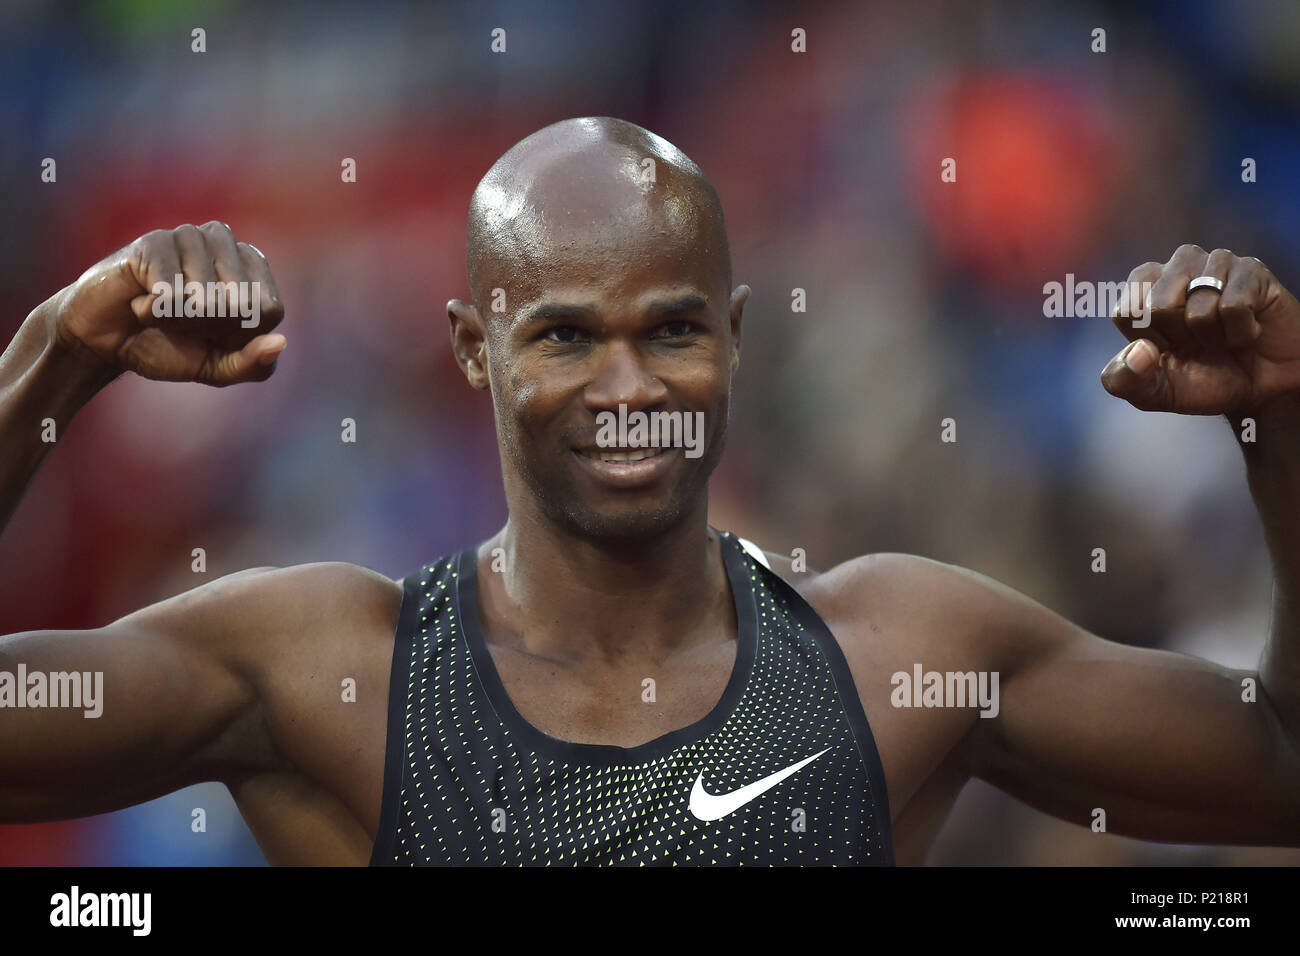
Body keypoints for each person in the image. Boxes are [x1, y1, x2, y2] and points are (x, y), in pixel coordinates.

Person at [2, 116, 1299, 866]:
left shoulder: (902, 662)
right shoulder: (322, 672)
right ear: (474, 347)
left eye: (671, 330)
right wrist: (59, 353)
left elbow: (1279, 764)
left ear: (734, 336)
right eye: (565, 335)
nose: (627, 384)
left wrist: (1277, 425)